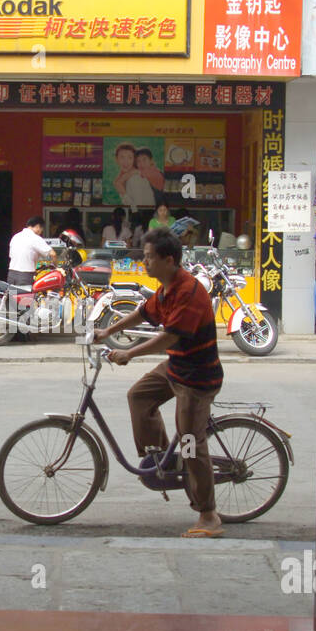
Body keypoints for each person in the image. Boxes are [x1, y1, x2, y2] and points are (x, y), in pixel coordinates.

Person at [94, 227, 224, 538]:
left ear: (169, 259)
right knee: (139, 395)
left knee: (192, 444)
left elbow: (171, 336)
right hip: (177, 366)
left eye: (150, 257)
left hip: (197, 377)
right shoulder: (165, 289)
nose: (145, 262)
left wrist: (129, 353)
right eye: (145, 256)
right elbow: (142, 314)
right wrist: (106, 332)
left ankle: (208, 515)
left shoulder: (190, 291)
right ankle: (166, 463)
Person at [7, 214, 51, 342]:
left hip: (12, 273)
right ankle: (22, 336)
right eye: (41, 229)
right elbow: (52, 253)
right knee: (24, 305)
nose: (41, 232)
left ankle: (13, 335)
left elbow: (12, 255)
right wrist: (55, 264)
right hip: (24, 275)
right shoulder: (34, 238)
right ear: (37, 227)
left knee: (13, 305)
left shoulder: (15, 237)